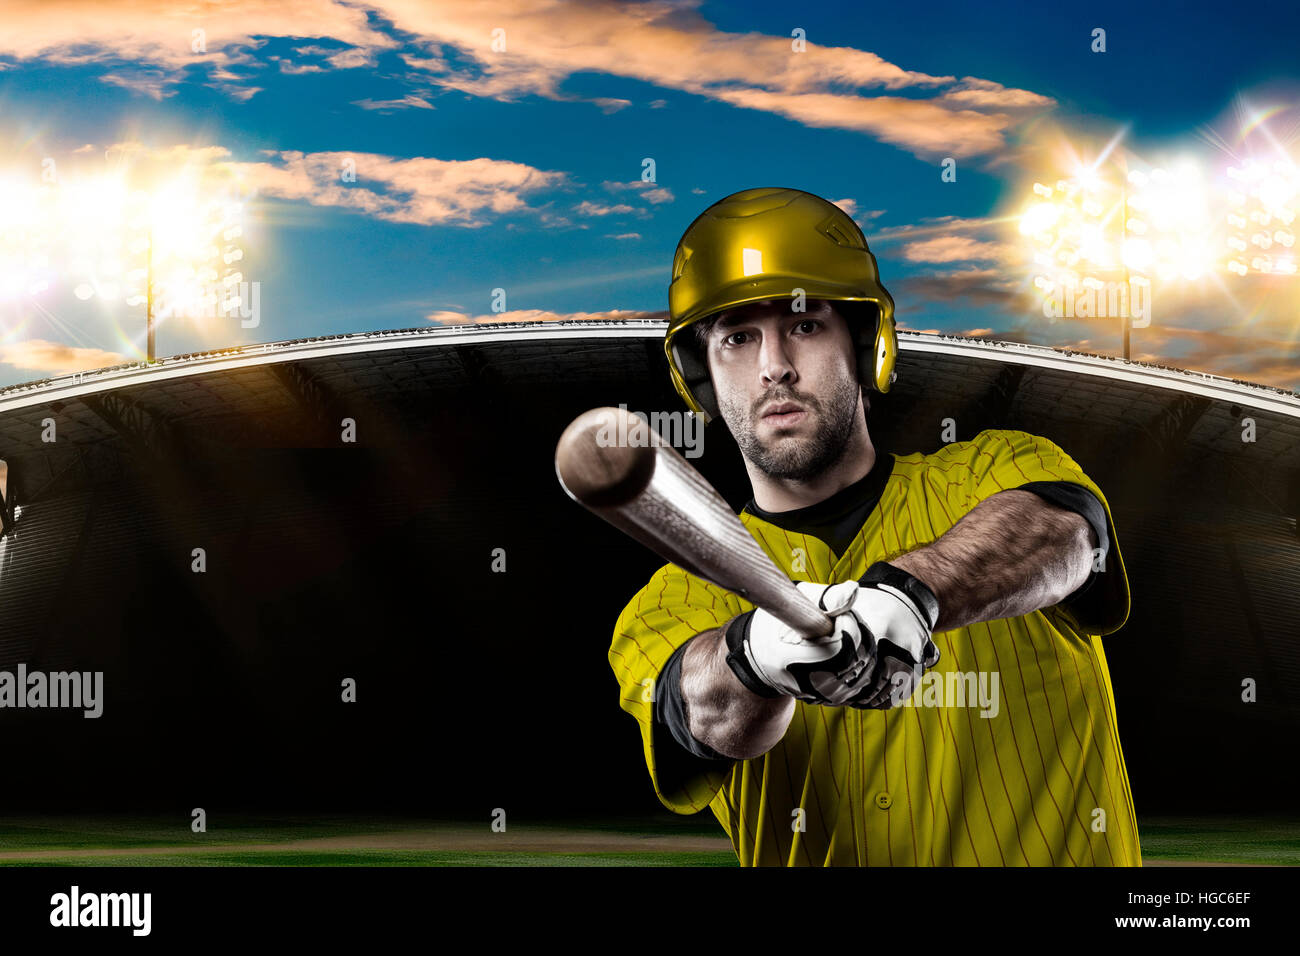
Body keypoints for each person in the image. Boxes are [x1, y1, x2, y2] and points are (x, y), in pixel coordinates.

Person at [608, 187, 1140, 866]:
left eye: (803, 325)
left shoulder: (997, 467)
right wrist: (757, 655)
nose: (774, 365)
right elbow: (704, 711)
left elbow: (1061, 536)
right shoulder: (674, 598)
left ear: (864, 345)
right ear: (701, 376)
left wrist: (909, 594)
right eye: (738, 337)